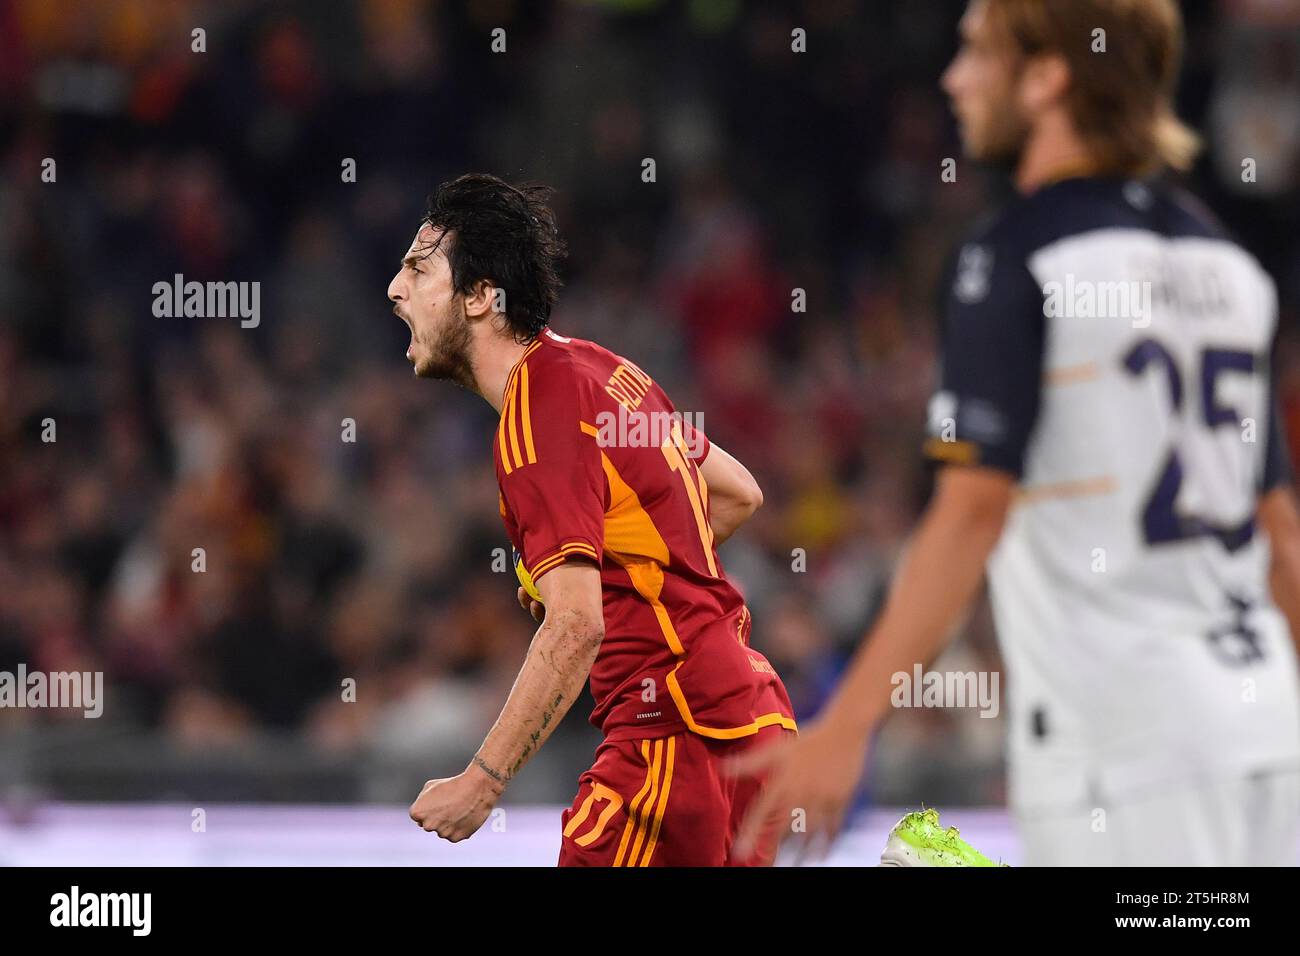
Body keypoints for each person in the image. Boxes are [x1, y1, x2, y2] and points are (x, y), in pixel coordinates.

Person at [734, 0, 1300, 866]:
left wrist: (845, 725)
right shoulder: (1227, 264)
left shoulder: (1013, 256)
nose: (954, 79)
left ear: (1048, 77)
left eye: (975, 53)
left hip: (1124, 755)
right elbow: (1280, 539)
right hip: (1265, 731)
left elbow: (970, 515)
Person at [393, 173, 796, 866]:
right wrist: (627, 566)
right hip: (747, 724)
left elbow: (577, 626)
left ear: (484, 296)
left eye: (417, 268)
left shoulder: (535, 414)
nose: (397, 289)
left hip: (667, 738)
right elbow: (736, 494)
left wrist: (482, 782)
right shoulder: (600, 369)